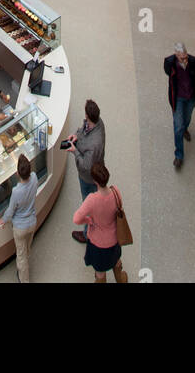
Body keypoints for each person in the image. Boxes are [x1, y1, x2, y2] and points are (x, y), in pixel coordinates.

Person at [72, 161, 128, 282]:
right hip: (115, 239)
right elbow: (119, 207)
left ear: (95, 181)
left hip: (98, 244)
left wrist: (88, 220)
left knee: (100, 273)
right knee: (116, 262)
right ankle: (121, 279)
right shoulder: (115, 192)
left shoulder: (92, 200)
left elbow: (76, 218)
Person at [68, 99, 106, 241]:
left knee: (87, 204)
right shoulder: (97, 122)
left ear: (88, 116)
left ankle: (87, 234)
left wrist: (74, 151)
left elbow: (86, 165)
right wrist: (76, 136)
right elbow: (84, 128)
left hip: (88, 178)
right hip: (90, 171)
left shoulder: (95, 144)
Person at [0, 153, 38, 282]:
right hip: (32, 223)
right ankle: (23, 268)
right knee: (27, 250)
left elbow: (11, 210)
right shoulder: (35, 178)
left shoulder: (16, 191)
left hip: (20, 227)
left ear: (17, 174)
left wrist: (4, 219)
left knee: (21, 256)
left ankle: (24, 279)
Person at [164, 43, 195, 170]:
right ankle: (179, 155)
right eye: (182, 58)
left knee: (187, 117)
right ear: (176, 55)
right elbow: (168, 74)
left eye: (185, 57)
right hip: (178, 98)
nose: (185, 60)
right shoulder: (169, 63)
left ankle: (185, 128)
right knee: (178, 125)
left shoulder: (193, 61)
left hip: (190, 96)